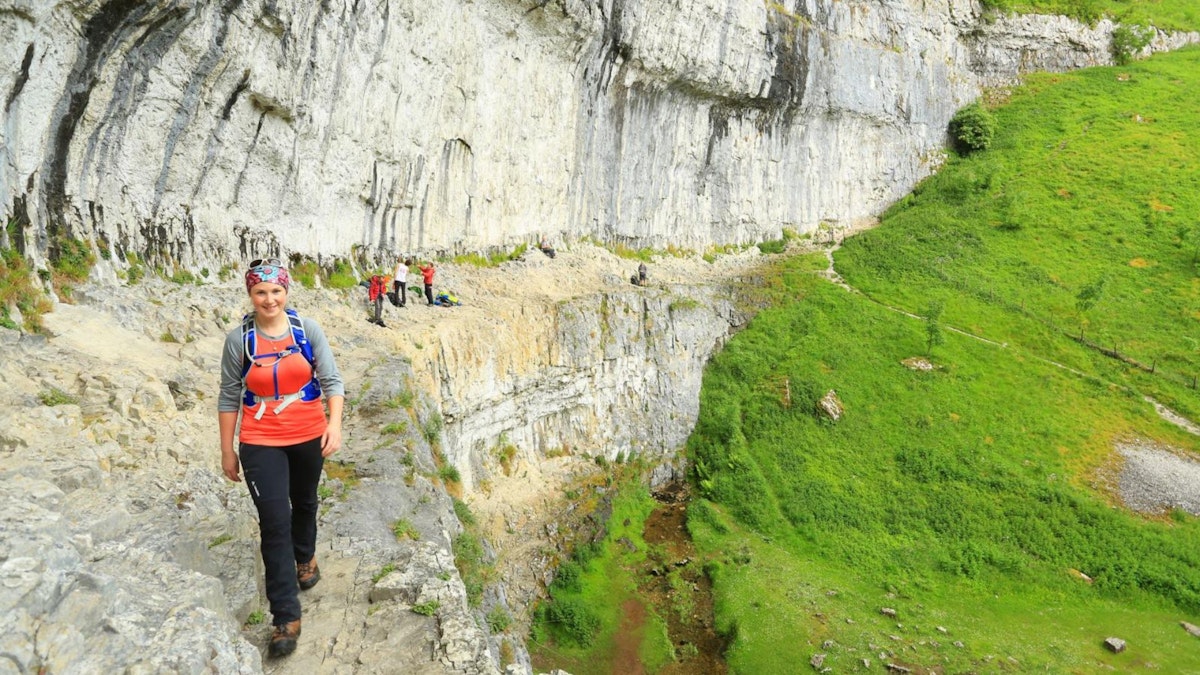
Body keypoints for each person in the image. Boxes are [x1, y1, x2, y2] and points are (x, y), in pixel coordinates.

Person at [218, 258, 345, 659]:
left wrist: (335, 424)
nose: (269, 299)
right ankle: (285, 617)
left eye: (276, 291)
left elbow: (331, 380)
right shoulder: (239, 340)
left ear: (286, 292)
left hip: (308, 432)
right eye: (260, 292)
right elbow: (228, 395)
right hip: (259, 438)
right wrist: (227, 449)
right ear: (250, 295)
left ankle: (305, 557)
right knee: (274, 522)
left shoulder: (307, 330)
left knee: (305, 501)